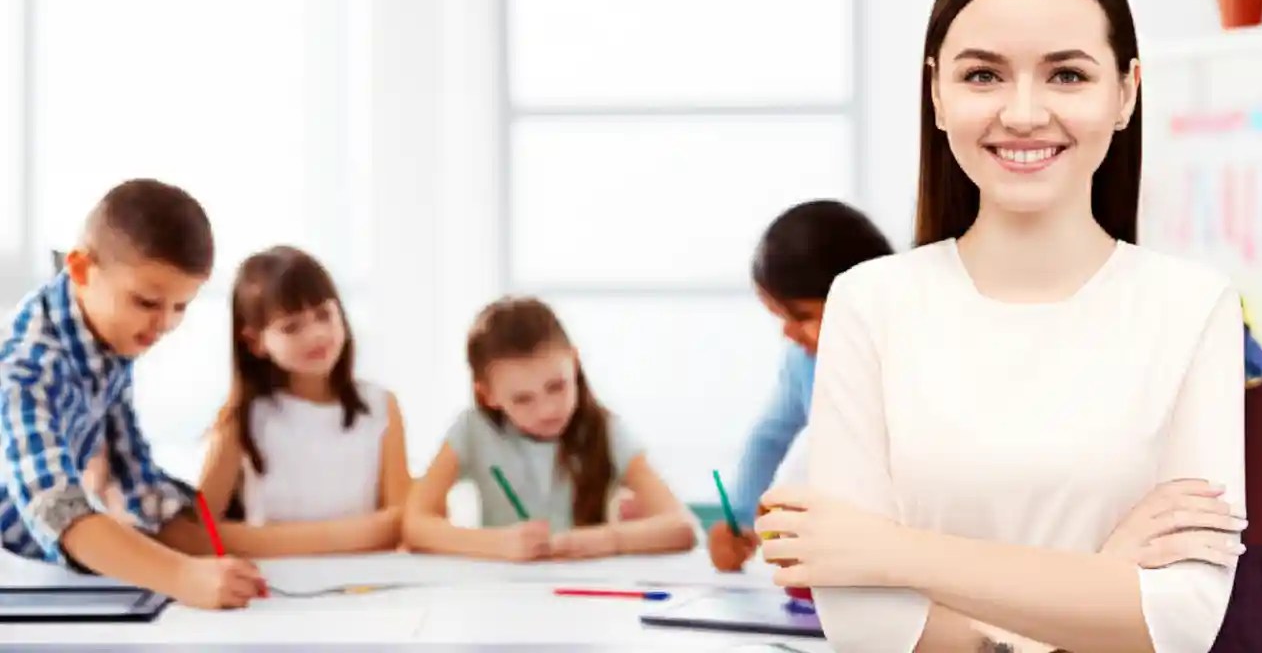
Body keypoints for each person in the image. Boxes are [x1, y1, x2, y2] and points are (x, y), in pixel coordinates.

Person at [754, 0, 1248, 651]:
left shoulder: (1194, 307)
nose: (1022, 113)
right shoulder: (869, 304)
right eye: (983, 75)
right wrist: (1098, 583)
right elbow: (862, 623)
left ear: (1126, 92)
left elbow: (1181, 619)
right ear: (936, 92)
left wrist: (889, 551)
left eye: (1067, 76)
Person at [0, 178, 266, 609]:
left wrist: (218, 558)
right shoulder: (27, 367)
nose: (164, 324)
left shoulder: (109, 335)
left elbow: (138, 481)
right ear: (82, 270)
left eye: (180, 307)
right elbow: (60, 513)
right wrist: (183, 575)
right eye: (147, 302)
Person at [402, 296, 696, 561]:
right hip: (501, 596)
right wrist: (497, 544)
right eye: (522, 399)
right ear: (487, 395)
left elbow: (681, 525)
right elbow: (415, 525)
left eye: (556, 386)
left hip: (588, 597)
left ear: (575, 363)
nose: (547, 410)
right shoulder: (472, 430)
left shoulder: (604, 428)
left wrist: (606, 539)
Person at [707, 200, 894, 573]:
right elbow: (768, 440)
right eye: (781, 317)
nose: (789, 333)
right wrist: (740, 519)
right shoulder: (804, 363)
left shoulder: (907, 359)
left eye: (803, 317)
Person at [194, 246, 411, 557]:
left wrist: (266, 540)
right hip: (275, 589)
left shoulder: (380, 406)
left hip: (367, 585)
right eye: (291, 327)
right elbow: (198, 531)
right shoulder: (243, 419)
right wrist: (360, 533)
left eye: (324, 315)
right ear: (255, 341)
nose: (316, 335)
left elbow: (401, 524)